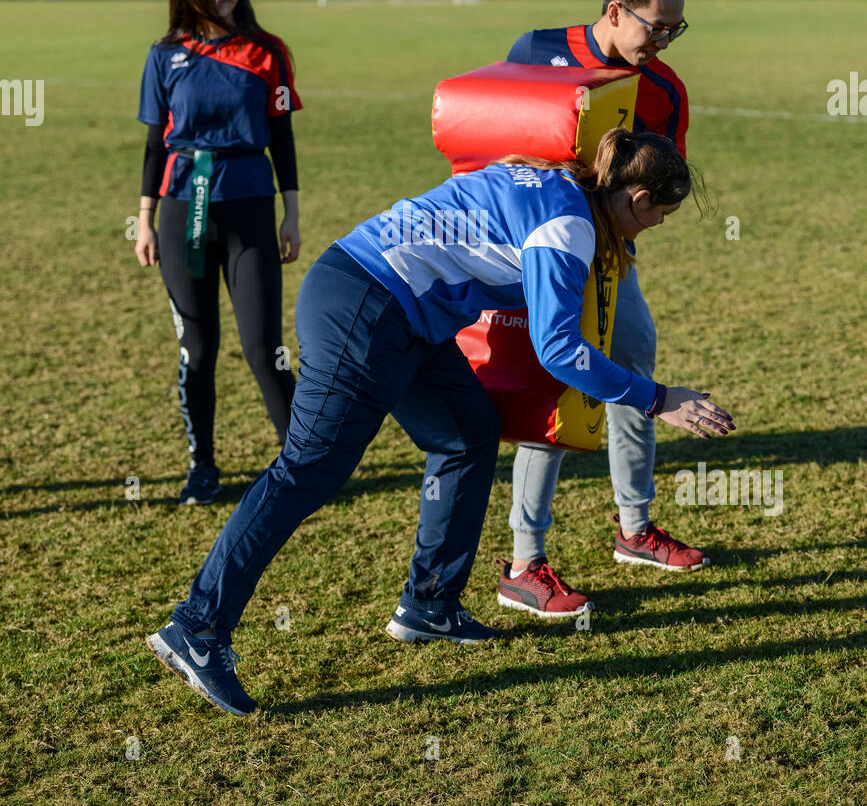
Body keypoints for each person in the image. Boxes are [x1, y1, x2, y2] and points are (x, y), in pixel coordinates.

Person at [145, 128, 734, 716]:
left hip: (398, 308)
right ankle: (197, 627)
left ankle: (429, 604)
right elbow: (558, 349)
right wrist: (658, 398)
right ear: (636, 199)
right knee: (307, 471)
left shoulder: (564, 184)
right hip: (366, 304)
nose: (655, 227)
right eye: (662, 214)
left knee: (466, 432)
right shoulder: (570, 227)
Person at [496, 0, 703, 622]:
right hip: (539, 254)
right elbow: (498, 139)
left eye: (676, 26)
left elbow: (651, 190)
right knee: (554, 379)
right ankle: (524, 562)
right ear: (615, 10)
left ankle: (634, 529)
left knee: (634, 361)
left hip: (608, 255)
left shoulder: (663, 89)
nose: (664, 40)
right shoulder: (537, 51)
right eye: (655, 26)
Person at [134, 0, 302, 506]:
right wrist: (145, 221)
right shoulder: (165, 56)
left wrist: (291, 213)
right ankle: (202, 467)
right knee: (198, 348)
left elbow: (281, 136)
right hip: (184, 206)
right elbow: (155, 145)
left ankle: (302, 461)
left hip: (251, 204)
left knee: (264, 348)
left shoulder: (268, 51)